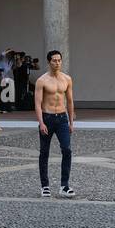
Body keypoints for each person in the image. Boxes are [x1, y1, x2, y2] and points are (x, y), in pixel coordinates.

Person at [35, 49, 75, 198]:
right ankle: (45, 186)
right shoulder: (42, 80)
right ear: (49, 62)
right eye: (54, 60)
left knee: (67, 150)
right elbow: (38, 103)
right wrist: (41, 122)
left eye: (59, 60)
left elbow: (70, 101)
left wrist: (71, 121)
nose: (57, 63)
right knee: (44, 152)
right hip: (47, 117)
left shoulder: (67, 79)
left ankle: (64, 185)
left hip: (62, 118)